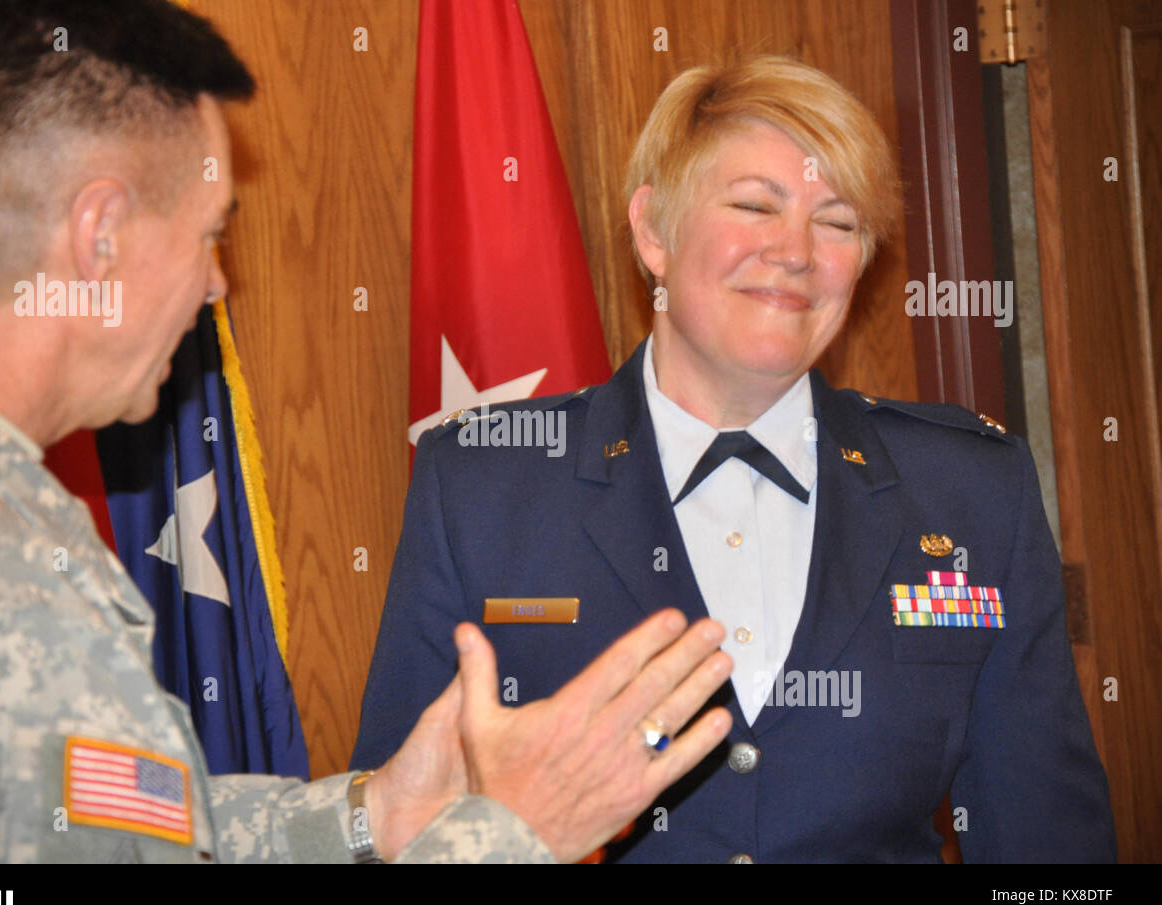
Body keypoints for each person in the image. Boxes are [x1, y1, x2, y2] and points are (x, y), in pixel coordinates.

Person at [0, 0, 736, 864]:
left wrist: (375, 815)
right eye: (209, 237)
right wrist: (512, 835)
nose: (214, 286)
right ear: (101, 236)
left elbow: (114, 831)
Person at [352, 56, 1117, 862]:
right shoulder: (483, 484)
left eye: (838, 221)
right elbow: (401, 820)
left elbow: (1050, 854)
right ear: (653, 231)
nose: (795, 251)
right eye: (756, 205)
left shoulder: (969, 491)